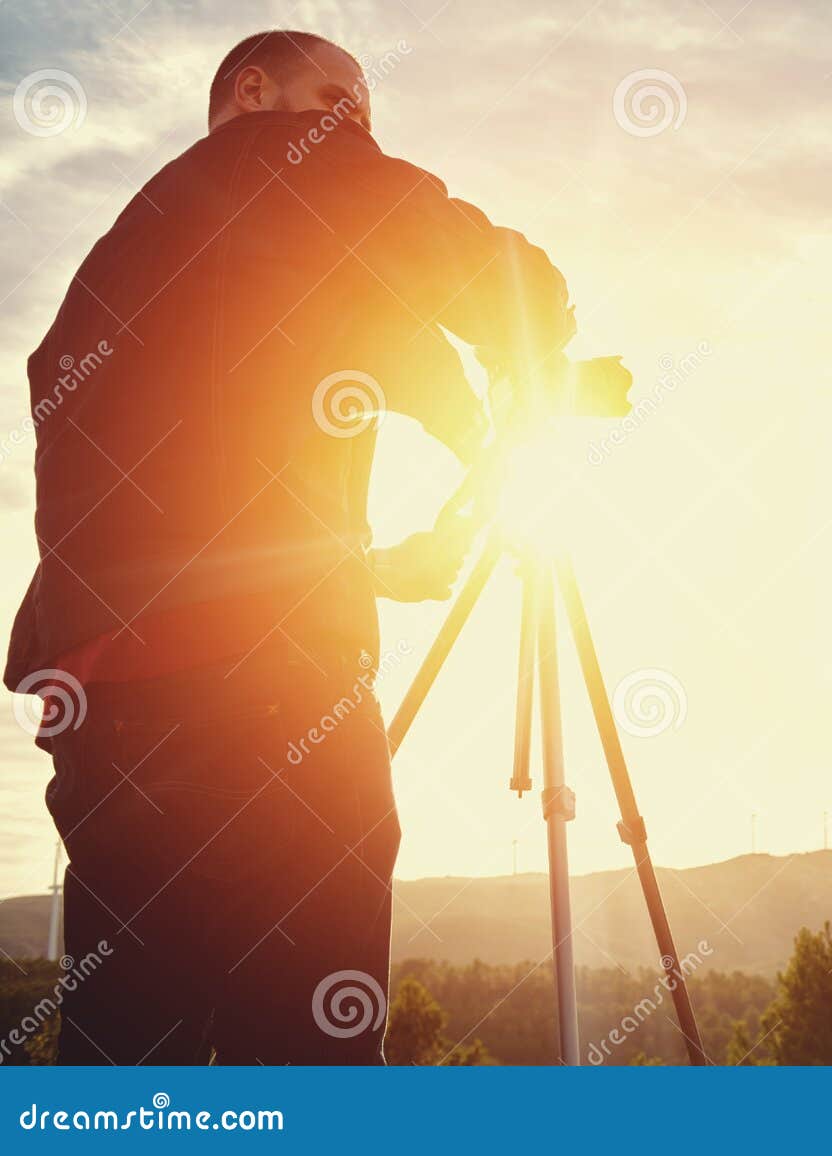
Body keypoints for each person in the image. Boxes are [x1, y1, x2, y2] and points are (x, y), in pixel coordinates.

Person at [5, 29, 577, 1064]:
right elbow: (492, 279)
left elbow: (199, 497)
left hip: (108, 719)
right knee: (310, 1036)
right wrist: (542, 355)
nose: (355, 126)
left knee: (134, 1041)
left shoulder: (139, 259)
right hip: (272, 695)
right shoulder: (283, 162)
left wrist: (375, 558)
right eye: (340, 100)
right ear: (252, 93)